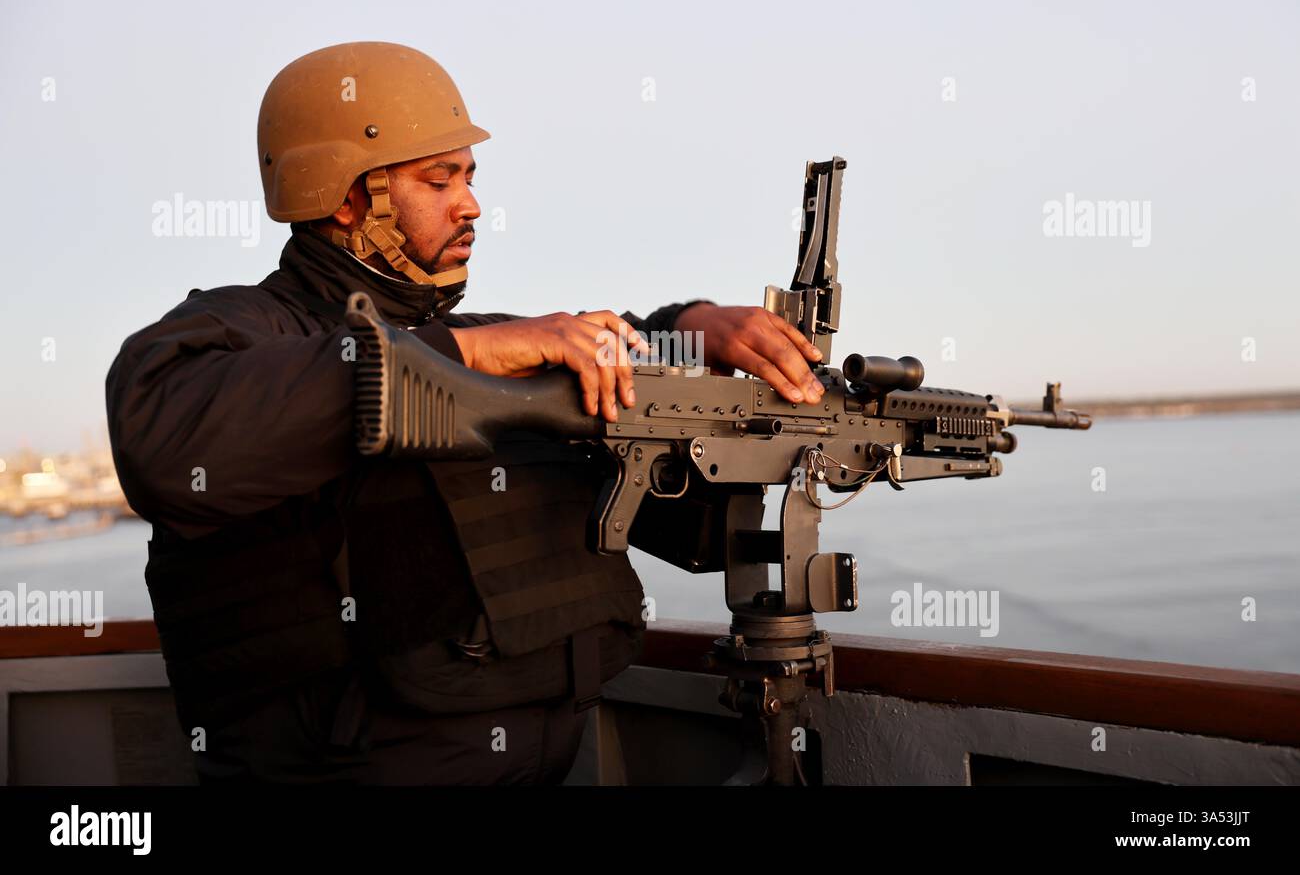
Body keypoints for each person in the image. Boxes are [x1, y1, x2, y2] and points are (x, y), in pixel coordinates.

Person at [105, 41, 827, 784]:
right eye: (439, 179)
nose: (471, 204)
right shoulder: (246, 328)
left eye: (469, 176)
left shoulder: (481, 337)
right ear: (349, 199)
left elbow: (614, 350)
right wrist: (470, 352)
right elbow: (161, 438)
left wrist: (696, 327)